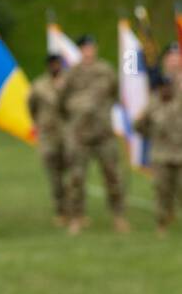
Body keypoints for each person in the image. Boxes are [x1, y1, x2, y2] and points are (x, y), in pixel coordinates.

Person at [59, 34, 128, 234]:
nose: (88, 51)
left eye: (91, 47)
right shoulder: (71, 74)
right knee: (76, 179)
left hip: (103, 134)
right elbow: (61, 103)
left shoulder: (106, 71)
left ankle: (118, 216)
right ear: (80, 51)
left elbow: (115, 97)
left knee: (113, 176)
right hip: (79, 136)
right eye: (85, 48)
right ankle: (76, 218)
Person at [133, 76, 182, 236]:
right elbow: (139, 126)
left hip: (180, 155)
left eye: (168, 86)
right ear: (159, 88)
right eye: (163, 87)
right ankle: (161, 223)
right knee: (162, 190)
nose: (166, 90)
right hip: (160, 155)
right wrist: (151, 135)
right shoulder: (152, 105)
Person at [27, 53, 69, 226]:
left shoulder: (69, 83)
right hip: (48, 136)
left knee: (74, 174)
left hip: (68, 134)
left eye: (57, 63)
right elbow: (32, 107)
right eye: (51, 63)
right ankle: (60, 211)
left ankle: (75, 210)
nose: (55, 66)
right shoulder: (38, 86)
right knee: (54, 176)